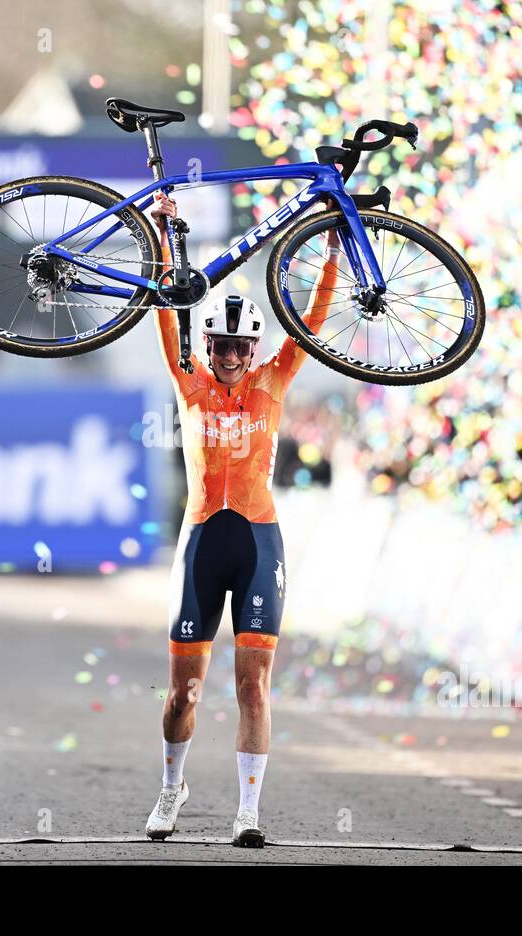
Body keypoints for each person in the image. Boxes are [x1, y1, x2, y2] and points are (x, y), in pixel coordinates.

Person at [144, 190, 342, 848]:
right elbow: (164, 309)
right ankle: (172, 788)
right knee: (184, 695)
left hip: (257, 539)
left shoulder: (273, 379)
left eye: (239, 346)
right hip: (202, 539)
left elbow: (312, 319)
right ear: (208, 346)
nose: (230, 354)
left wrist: (334, 253)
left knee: (254, 685)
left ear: (254, 347)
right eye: (220, 345)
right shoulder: (189, 380)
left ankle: (248, 811)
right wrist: (163, 232)